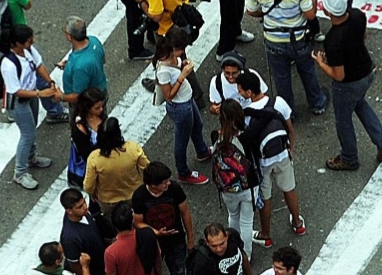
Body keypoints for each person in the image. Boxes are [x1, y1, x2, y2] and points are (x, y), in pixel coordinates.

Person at [316, 0, 382, 171]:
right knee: (360, 104)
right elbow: (363, 36)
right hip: (366, 71)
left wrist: (321, 63)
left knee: (343, 120)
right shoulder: (357, 16)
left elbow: (339, 75)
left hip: (348, 84)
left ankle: (349, 158)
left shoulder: (333, 40)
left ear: (328, 12)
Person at [246, 0, 325, 113]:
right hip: (298, 38)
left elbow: (251, 10)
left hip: (273, 40)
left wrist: (266, 13)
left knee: (281, 78)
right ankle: (317, 103)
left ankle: (288, 111)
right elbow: (310, 15)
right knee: (308, 72)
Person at [235, 74, 306, 242]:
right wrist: (290, 149)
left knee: (265, 197)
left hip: (262, 162)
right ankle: (298, 224)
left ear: (250, 92)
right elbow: (290, 128)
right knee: (289, 189)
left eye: (241, 90)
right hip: (282, 154)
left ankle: (266, 235)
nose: (239, 93)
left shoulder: (246, 114)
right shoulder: (278, 102)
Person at [0, 24, 64, 190]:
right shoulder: (8, 64)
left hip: (31, 94)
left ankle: (30, 157)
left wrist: (50, 82)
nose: (32, 43)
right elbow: (15, 91)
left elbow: (39, 65)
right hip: (19, 101)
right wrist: (40, 94)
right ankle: (19, 173)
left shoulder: (28, 51)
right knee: (27, 134)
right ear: (18, 43)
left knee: (32, 128)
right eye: (28, 41)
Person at [132, 162, 199, 275]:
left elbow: (185, 212)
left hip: (176, 240)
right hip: (152, 244)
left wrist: (190, 240)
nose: (168, 183)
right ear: (153, 184)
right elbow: (137, 222)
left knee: (178, 272)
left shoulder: (174, 189)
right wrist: (156, 232)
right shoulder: (140, 196)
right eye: (164, 182)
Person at [151, 36, 211, 186]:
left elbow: (177, 69)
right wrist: (183, 75)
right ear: (172, 50)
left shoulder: (174, 59)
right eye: (180, 49)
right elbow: (169, 96)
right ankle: (183, 172)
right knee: (181, 141)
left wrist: (183, 65)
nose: (183, 51)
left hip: (188, 99)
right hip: (180, 107)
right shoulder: (163, 70)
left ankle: (202, 151)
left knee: (197, 126)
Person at [207, 105, 261, 249]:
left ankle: (234, 248)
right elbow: (256, 156)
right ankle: (246, 255)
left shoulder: (215, 135)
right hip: (247, 186)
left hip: (226, 187)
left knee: (233, 216)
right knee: (247, 222)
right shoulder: (247, 136)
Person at [84, 117, 151, 223]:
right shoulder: (132, 148)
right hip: (134, 195)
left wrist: (93, 194)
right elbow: (147, 168)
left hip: (108, 201)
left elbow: (88, 186)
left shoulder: (94, 158)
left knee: (115, 222)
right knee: (139, 219)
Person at [66, 90, 108, 196]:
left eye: (102, 106)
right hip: (91, 162)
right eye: (97, 108)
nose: (101, 110)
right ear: (87, 108)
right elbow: (86, 154)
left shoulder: (101, 116)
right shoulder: (80, 128)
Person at [58, 16, 108, 103]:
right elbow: (102, 61)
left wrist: (61, 97)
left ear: (70, 37)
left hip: (87, 104)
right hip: (101, 91)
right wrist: (69, 67)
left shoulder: (80, 66)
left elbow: (77, 97)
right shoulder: (94, 40)